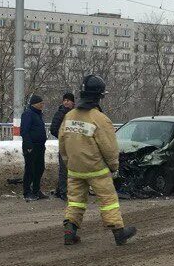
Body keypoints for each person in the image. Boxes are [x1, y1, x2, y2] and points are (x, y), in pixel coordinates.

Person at [59, 74, 137, 246]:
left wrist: (69, 162)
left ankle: (70, 230)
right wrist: (113, 166)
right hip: (97, 169)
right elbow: (109, 148)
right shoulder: (100, 119)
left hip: (74, 168)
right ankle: (119, 232)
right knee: (108, 200)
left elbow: (62, 144)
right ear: (99, 96)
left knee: (75, 200)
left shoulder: (69, 116)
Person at [20, 94, 48, 200]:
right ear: (34, 104)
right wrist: (28, 145)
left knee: (40, 168)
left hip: (40, 146)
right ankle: (27, 192)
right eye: (40, 103)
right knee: (30, 169)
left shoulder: (38, 114)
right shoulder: (28, 114)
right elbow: (24, 131)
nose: (42, 105)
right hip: (31, 146)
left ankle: (36, 190)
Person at [50, 92, 75, 200]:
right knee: (64, 169)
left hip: (74, 146)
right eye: (64, 100)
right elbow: (53, 129)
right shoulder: (60, 113)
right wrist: (63, 137)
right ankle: (63, 192)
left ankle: (61, 190)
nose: (66, 102)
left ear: (73, 103)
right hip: (65, 145)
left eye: (68, 100)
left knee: (71, 169)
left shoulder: (75, 113)